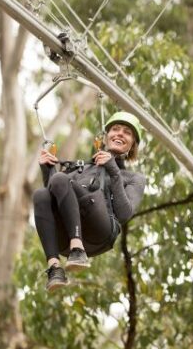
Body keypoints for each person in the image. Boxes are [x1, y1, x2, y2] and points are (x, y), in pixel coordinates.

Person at [32, 111, 147, 292]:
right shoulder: (82, 169)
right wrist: (47, 171)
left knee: (61, 179)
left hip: (100, 229)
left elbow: (124, 214)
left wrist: (113, 171)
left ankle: (78, 249)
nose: (119, 134)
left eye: (127, 132)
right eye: (115, 129)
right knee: (41, 194)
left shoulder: (133, 178)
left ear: (133, 145)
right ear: (105, 137)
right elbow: (53, 200)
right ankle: (55, 268)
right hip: (66, 240)